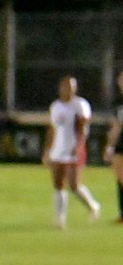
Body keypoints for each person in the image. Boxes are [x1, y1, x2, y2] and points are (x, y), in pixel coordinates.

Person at [44, 75, 100, 229]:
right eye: (66, 86)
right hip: (57, 149)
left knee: (74, 185)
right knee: (58, 183)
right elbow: (52, 128)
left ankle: (93, 205)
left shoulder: (80, 105)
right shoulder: (55, 106)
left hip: (74, 148)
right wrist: (47, 150)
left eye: (72, 87)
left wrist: (79, 145)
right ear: (60, 88)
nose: (69, 90)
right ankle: (60, 219)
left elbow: (83, 127)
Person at [104, 71, 123, 223]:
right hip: (121, 141)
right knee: (119, 176)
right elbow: (115, 126)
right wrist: (109, 146)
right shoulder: (118, 102)